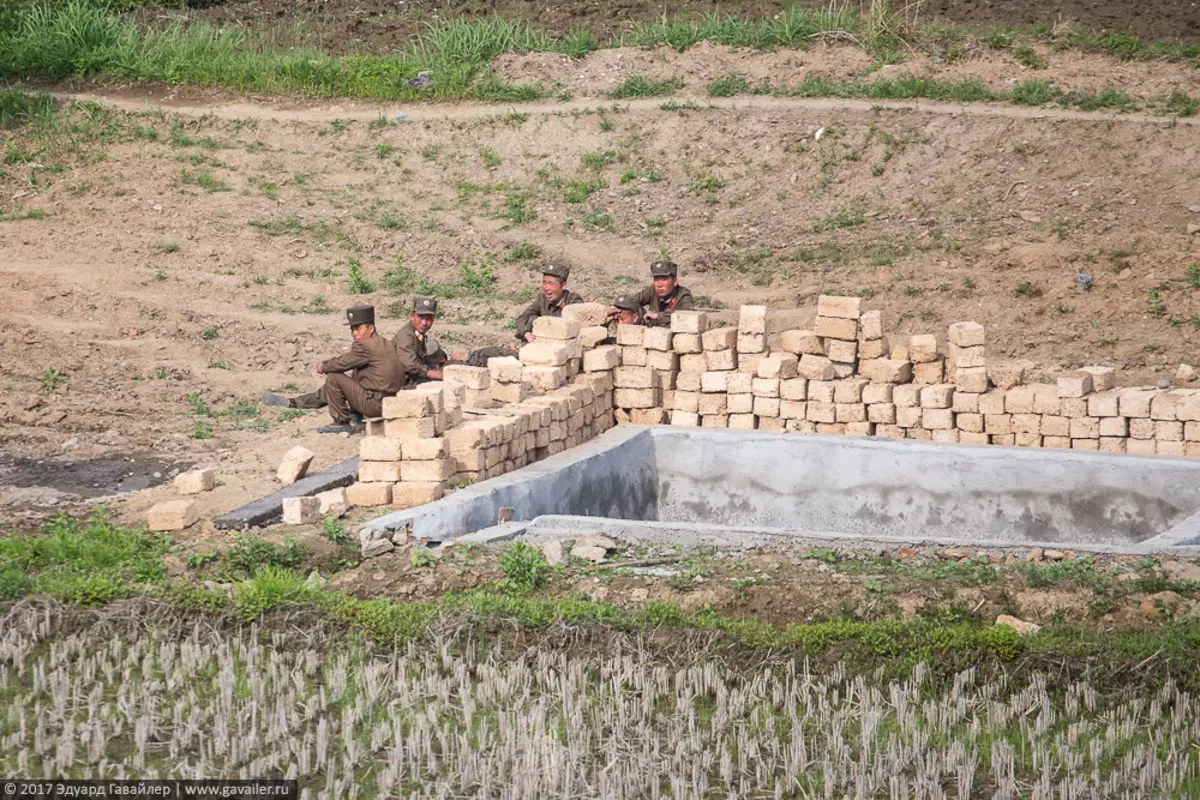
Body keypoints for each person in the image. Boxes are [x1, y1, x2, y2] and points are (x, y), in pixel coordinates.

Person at [269, 305, 403, 430]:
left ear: (371, 328)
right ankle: (298, 402)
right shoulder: (385, 343)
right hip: (389, 403)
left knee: (334, 378)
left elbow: (343, 363)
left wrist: (324, 366)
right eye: (352, 329)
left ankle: (341, 422)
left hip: (375, 405)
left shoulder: (365, 346)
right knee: (351, 376)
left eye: (358, 329)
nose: (354, 333)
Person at [514, 264, 584, 342]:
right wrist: (526, 333)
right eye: (544, 283)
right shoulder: (542, 299)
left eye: (551, 283)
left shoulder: (573, 301)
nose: (546, 288)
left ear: (563, 286)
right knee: (531, 319)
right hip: (542, 342)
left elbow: (572, 328)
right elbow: (522, 318)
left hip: (564, 343)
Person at [392, 295, 444, 386]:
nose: (424, 323)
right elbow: (410, 365)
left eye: (428, 319)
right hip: (399, 381)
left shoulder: (418, 333)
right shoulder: (406, 335)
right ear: (412, 316)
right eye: (420, 317)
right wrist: (432, 373)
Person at [633, 260, 693, 328]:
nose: (659, 284)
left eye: (664, 279)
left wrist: (658, 316)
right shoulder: (653, 290)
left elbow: (686, 315)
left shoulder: (683, 294)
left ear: (675, 281)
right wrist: (621, 306)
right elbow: (633, 300)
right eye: (656, 279)